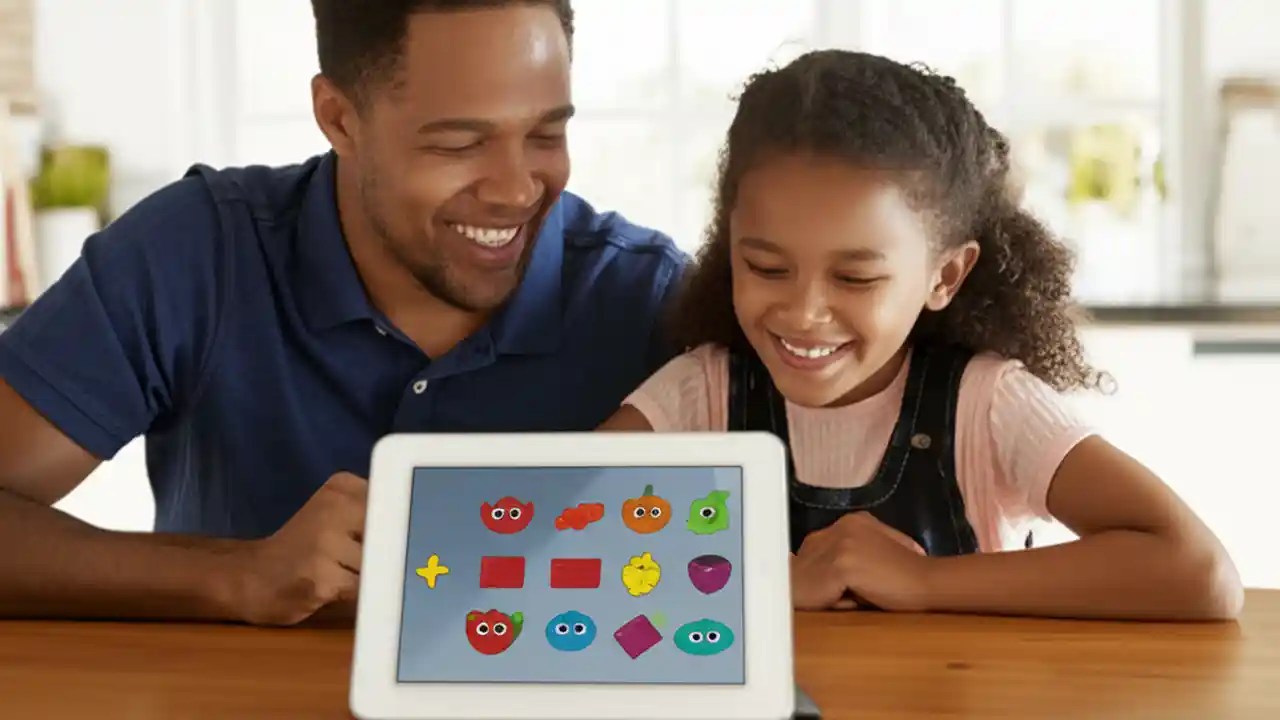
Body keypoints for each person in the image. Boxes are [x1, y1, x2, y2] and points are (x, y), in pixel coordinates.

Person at [0, 1, 684, 625]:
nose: (515, 191)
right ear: (339, 118)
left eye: (544, 135)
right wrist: (236, 575)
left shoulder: (651, 300)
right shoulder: (195, 253)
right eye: (458, 144)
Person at [600, 50, 1244, 621]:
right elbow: (544, 531)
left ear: (945, 274)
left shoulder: (988, 406)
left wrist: (923, 579)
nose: (803, 313)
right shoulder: (702, 393)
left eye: (855, 278)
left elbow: (1199, 574)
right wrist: (767, 579)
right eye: (766, 267)